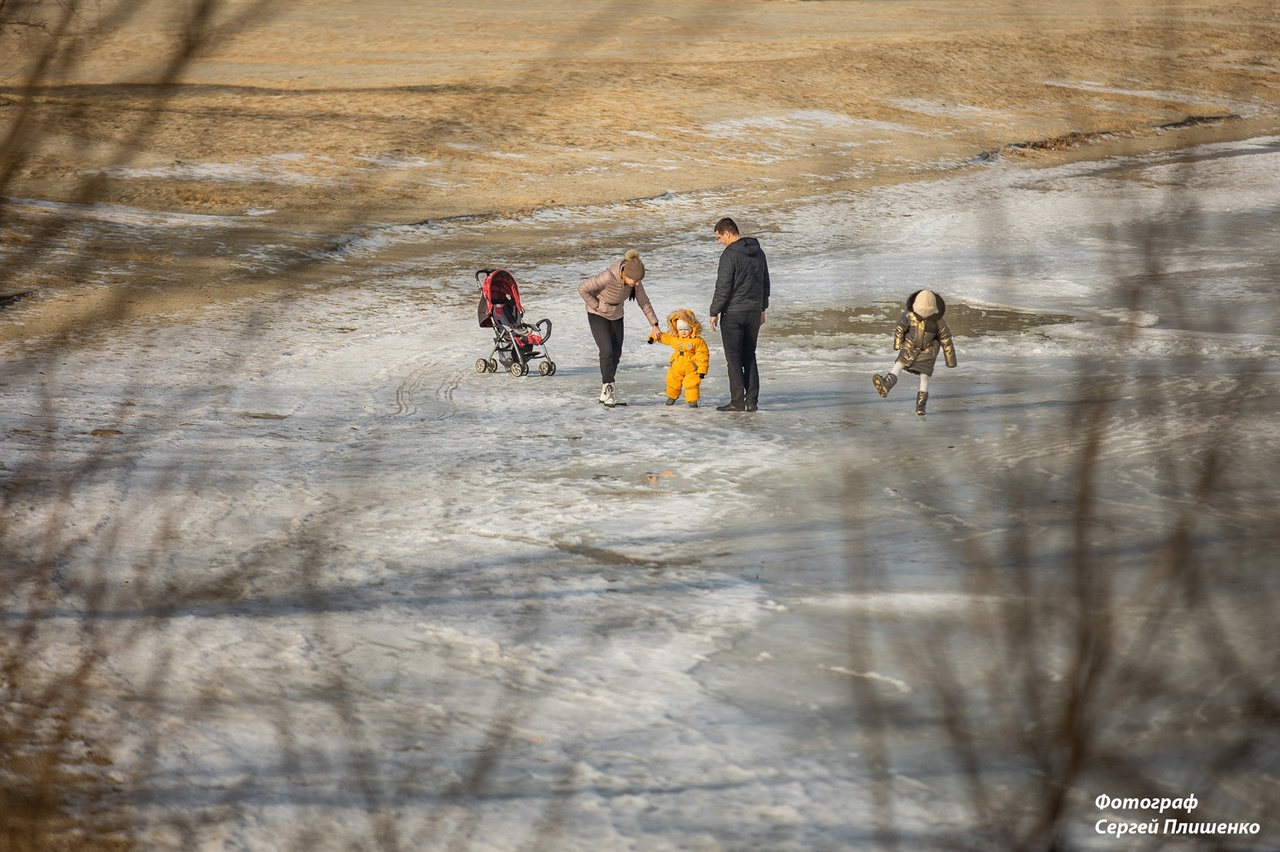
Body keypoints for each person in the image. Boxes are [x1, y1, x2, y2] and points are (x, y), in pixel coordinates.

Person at [579, 249, 661, 406]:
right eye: (634, 281)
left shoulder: (635, 281)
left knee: (616, 353)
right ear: (625, 273)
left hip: (617, 314)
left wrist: (654, 325)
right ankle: (610, 388)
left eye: (638, 281)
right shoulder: (609, 276)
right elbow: (583, 288)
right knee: (606, 350)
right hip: (597, 314)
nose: (636, 284)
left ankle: (605, 390)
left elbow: (644, 302)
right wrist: (596, 305)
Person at [708, 217, 770, 412]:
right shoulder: (758, 252)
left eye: (719, 237)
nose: (720, 242)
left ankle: (737, 401)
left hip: (734, 313)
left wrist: (714, 311)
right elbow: (765, 282)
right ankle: (752, 401)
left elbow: (724, 286)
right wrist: (762, 308)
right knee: (749, 355)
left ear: (728, 233)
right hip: (753, 311)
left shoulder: (729, 255)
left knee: (734, 358)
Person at [872, 289, 958, 415]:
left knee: (924, 378)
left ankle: (920, 407)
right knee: (899, 363)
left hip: (929, 351)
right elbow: (900, 328)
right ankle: (887, 384)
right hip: (910, 346)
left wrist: (950, 360)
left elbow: (946, 339)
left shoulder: (938, 320)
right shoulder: (909, 315)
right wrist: (898, 344)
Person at [648, 308, 710, 407]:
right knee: (672, 381)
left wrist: (702, 370)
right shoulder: (674, 338)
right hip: (676, 366)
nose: (683, 332)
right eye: (680, 330)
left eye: (686, 329)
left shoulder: (697, 341)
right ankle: (672, 396)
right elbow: (663, 337)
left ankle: (692, 401)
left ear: (692, 328)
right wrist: (653, 338)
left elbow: (702, 355)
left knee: (692, 384)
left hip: (691, 368)